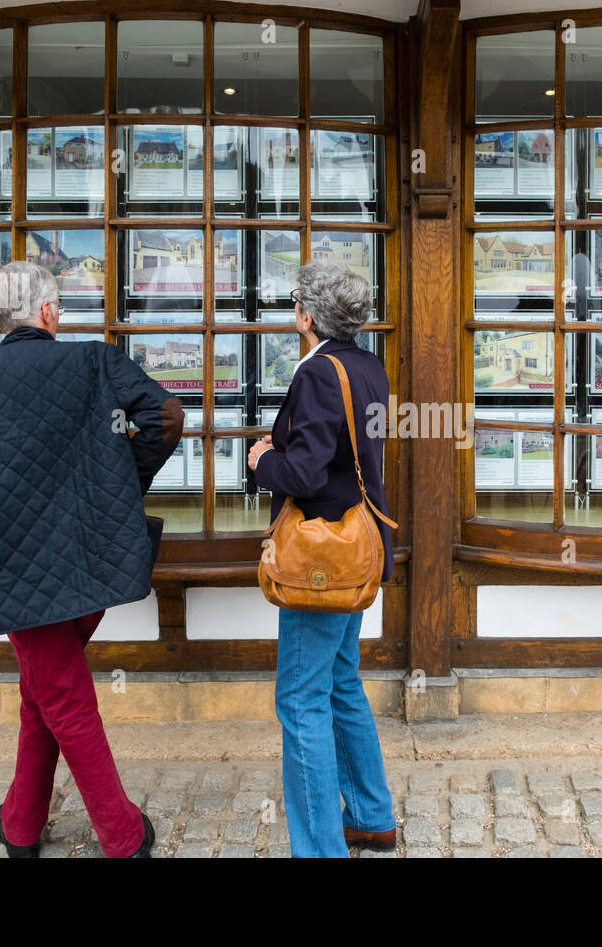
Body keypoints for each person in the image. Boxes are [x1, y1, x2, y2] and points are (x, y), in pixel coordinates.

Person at [0, 260, 182, 858]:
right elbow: (166, 418)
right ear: (46, 313)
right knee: (53, 691)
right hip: (91, 555)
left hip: (11, 559)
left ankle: (62, 831)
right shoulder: (95, 361)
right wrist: (119, 489)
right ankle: (76, 830)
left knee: (52, 689)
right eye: (60, 308)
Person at [248, 262, 396, 858]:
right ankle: (371, 816)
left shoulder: (317, 374)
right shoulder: (368, 366)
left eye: (294, 305)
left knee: (301, 698)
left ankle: (320, 850)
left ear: (306, 317)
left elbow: (306, 473)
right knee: (340, 683)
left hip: (319, 555)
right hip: (355, 546)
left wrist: (263, 460)